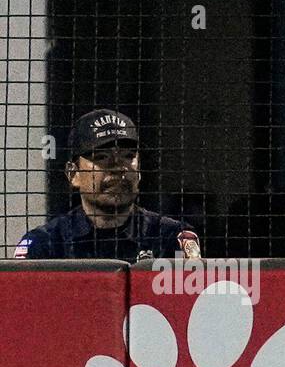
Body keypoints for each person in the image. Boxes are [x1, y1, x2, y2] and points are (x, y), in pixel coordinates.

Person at [12, 109, 201, 261]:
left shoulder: (171, 238)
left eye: (128, 156)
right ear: (73, 174)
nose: (118, 168)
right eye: (101, 157)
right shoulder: (45, 245)